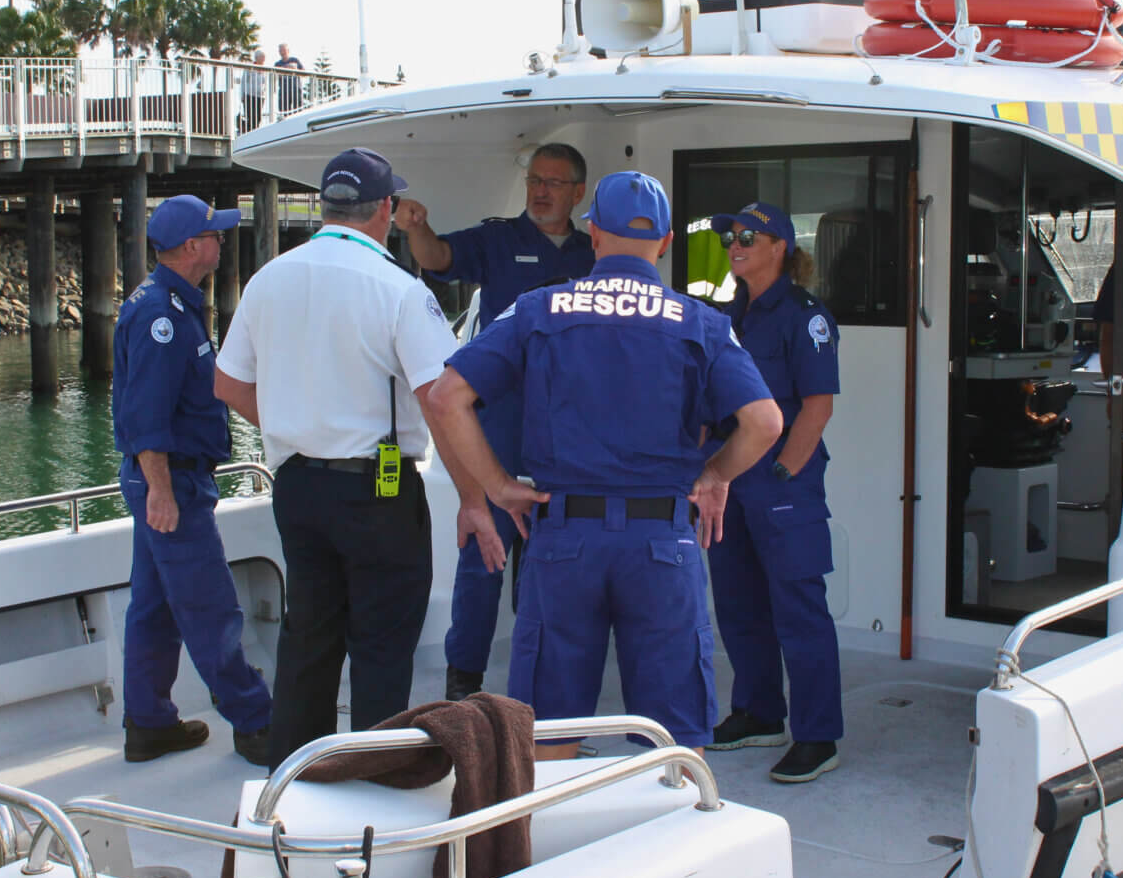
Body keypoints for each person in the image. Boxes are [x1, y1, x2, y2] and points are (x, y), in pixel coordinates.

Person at [428, 171, 781, 759]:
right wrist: (715, 475)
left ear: (593, 233)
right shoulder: (701, 323)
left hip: (564, 540)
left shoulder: (537, 309)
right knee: (673, 741)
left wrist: (496, 486)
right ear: (665, 243)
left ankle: (543, 843)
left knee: (548, 735)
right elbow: (766, 422)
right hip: (662, 543)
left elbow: (446, 397)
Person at [214, 147, 504, 768]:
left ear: (328, 207)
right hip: (379, 488)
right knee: (382, 642)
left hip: (295, 485)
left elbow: (230, 385)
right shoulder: (399, 291)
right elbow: (442, 403)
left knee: (308, 637)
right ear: (387, 210)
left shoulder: (269, 278)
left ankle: (294, 779)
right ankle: (373, 779)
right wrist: (475, 501)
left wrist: (300, 427)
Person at [394, 143, 596, 702]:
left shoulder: (592, 254)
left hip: (566, 433)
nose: (540, 190)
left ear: (577, 192)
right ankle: (464, 679)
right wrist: (417, 228)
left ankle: (543, 678)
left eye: (554, 182)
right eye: (535, 179)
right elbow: (437, 258)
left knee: (555, 560)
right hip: (501, 428)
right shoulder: (498, 239)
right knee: (485, 550)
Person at [112, 194, 273, 766]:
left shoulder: (173, 304)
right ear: (190, 248)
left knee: (154, 607)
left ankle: (149, 722)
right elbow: (144, 417)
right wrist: (160, 490)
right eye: (215, 234)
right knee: (210, 607)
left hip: (166, 478)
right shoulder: (161, 318)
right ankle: (257, 721)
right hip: (172, 481)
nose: (223, 240)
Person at [702, 201, 844, 784]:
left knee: (798, 609)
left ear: (779, 247)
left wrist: (784, 472)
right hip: (728, 479)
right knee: (738, 605)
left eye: (747, 237)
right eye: (730, 236)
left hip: (783, 482)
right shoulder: (726, 313)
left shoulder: (804, 316)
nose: (734, 244)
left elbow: (817, 406)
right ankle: (759, 712)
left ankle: (818, 736)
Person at [240, 49, 268, 130]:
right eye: (262, 57)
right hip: (249, 95)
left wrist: (264, 94)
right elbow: (243, 81)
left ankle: (256, 130)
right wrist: (242, 95)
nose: (263, 59)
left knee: (258, 117)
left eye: (264, 57)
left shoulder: (265, 69)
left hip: (260, 96)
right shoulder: (250, 68)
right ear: (256, 58)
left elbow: (265, 83)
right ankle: (250, 131)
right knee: (250, 116)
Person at [274, 43, 304, 114]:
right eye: (281, 50)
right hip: (284, 91)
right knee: (284, 112)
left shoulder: (295, 60)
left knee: (298, 111)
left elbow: (303, 71)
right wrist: (283, 69)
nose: (282, 52)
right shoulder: (277, 64)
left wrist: (295, 68)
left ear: (288, 50)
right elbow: (275, 76)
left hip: (296, 89)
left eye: (284, 50)